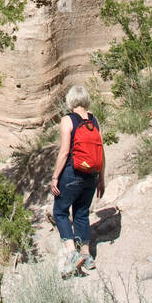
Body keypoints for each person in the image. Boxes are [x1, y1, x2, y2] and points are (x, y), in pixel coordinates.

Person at [50, 85, 105, 276]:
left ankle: (72, 252)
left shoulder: (68, 120)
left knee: (60, 211)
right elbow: (101, 151)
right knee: (81, 214)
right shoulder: (94, 120)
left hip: (73, 173)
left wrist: (55, 177)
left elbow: (65, 151)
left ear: (70, 101)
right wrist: (101, 179)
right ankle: (87, 256)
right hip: (92, 175)